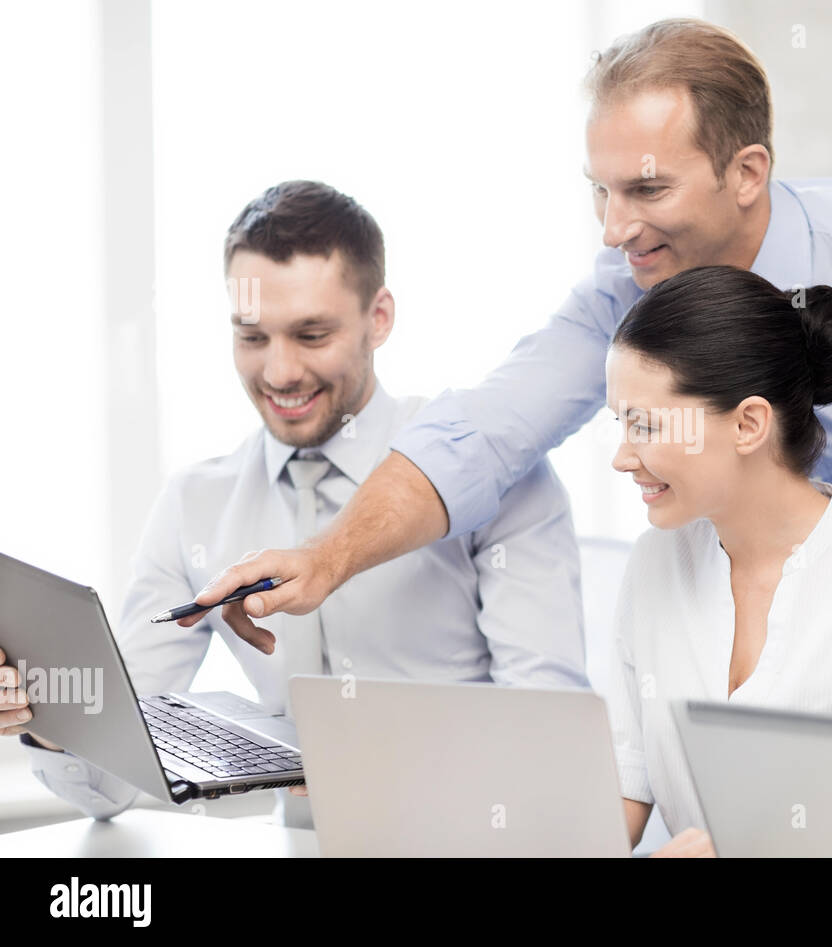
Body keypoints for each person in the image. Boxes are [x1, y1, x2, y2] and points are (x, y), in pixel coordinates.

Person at [190, 18, 832, 656]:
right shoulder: (622, 290)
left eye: (647, 191)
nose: (615, 228)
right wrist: (327, 558)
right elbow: (483, 434)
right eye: (601, 190)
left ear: (746, 172)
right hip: (767, 614)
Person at [0, 181, 587, 827]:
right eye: (253, 338)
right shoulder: (196, 504)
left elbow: (551, 738)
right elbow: (109, 781)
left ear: (379, 317)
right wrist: (53, 718)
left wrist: (384, 770)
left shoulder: (487, 470)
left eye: (311, 334)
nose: (279, 372)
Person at [603, 265, 832, 856]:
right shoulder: (656, 561)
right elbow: (625, 782)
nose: (622, 458)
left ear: (749, 423)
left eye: (645, 426)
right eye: (619, 425)